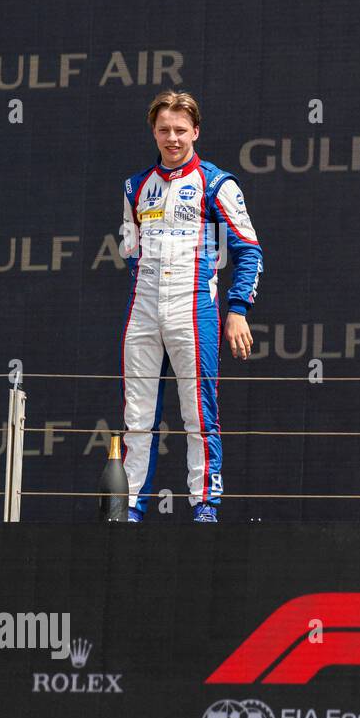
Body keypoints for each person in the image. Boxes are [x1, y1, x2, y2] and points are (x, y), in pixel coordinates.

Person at [119, 90, 264, 522]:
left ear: (195, 131)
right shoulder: (134, 187)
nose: (173, 138)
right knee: (136, 413)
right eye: (164, 130)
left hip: (193, 304)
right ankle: (128, 507)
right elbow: (131, 252)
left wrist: (236, 309)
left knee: (198, 409)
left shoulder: (218, 183)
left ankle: (204, 505)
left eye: (181, 130)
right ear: (154, 132)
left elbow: (250, 251)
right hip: (143, 308)